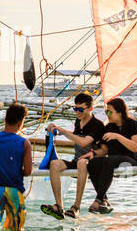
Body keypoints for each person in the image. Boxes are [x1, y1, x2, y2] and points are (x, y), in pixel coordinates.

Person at [40, 92, 106, 220]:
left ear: (90, 108)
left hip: (93, 162)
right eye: (75, 108)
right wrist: (55, 130)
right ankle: (59, 206)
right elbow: (75, 137)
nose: (78, 112)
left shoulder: (97, 124)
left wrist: (62, 130)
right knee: (54, 164)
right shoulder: (78, 121)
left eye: (81, 109)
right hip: (78, 160)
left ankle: (76, 207)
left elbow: (82, 142)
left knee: (82, 163)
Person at [86, 97, 137, 213]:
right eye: (106, 112)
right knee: (92, 163)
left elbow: (136, 147)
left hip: (133, 160)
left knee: (109, 161)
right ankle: (104, 200)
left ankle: (98, 199)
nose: (107, 115)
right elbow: (104, 151)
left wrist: (117, 136)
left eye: (110, 112)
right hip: (114, 160)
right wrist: (93, 153)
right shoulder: (108, 127)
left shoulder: (133, 124)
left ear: (120, 113)